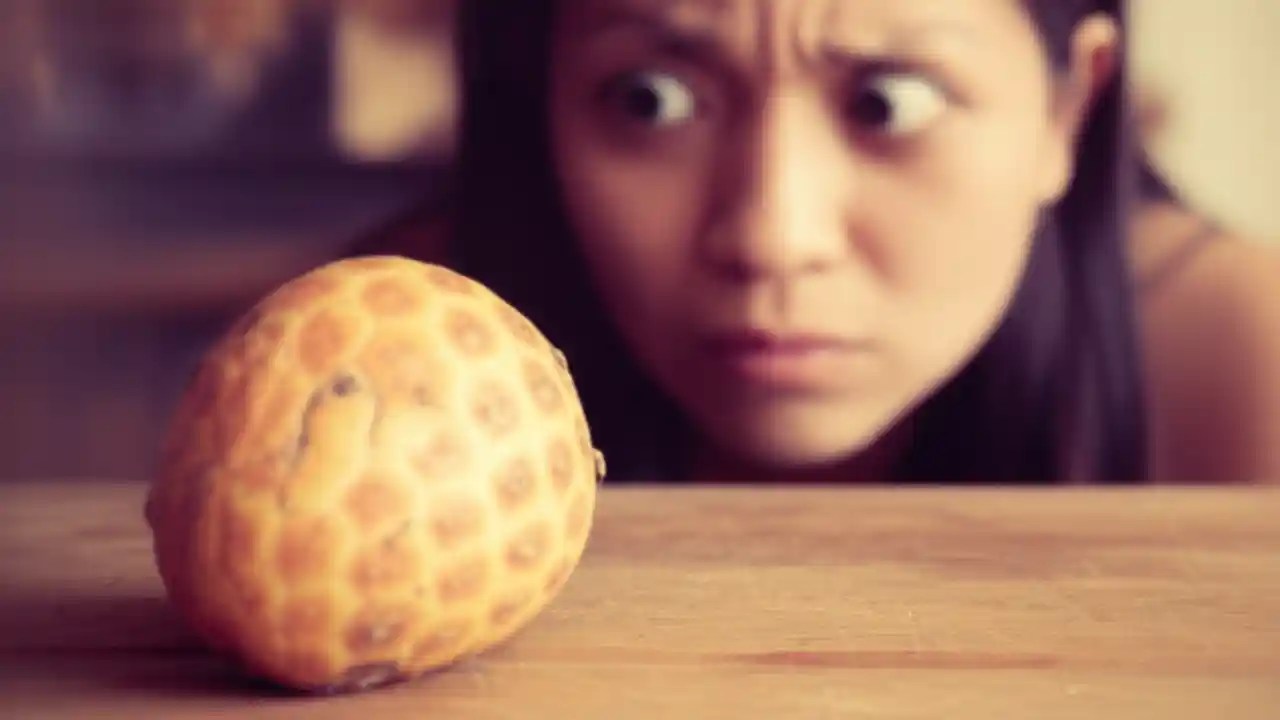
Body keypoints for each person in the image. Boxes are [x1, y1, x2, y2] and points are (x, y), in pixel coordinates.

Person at [352, 0, 1280, 485]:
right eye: (651, 100)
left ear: (1069, 109)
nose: (771, 237)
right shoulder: (378, 365)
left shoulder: (1247, 371)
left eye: (891, 102)